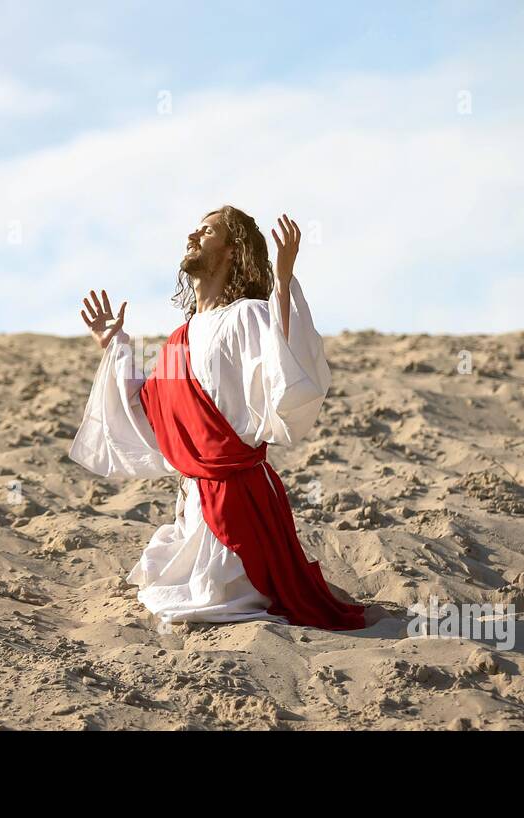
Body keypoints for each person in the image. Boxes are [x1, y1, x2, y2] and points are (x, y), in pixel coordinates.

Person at [69, 206, 379, 633]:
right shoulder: (180, 338)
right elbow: (151, 411)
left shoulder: (248, 315)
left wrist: (284, 283)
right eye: (194, 228)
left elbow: (288, 370)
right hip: (195, 503)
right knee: (167, 591)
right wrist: (115, 345)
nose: (194, 235)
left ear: (232, 251)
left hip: (240, 505)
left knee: (211, 603)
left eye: (207, 230)